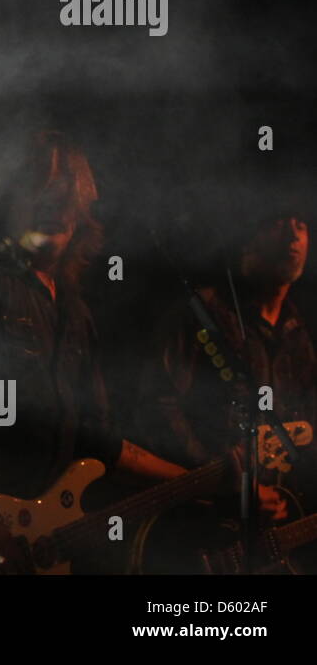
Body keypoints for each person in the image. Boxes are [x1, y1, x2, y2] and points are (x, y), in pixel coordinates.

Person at [0, 130, 183, 574]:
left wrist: (201, 482)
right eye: (41, 191)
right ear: (6, 204)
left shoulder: (73, 311)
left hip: (30, 548)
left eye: (69, 195)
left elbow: (96, 443)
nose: (55, 204)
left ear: (83, 212)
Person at [134, 198, 317, 570]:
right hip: (200, 528)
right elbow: (155, 409)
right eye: (278, 220)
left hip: (266, 536)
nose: (292, 234)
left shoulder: (299, 334)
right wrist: (224, 481)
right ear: (247, 236)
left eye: (300, 224)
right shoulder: (202, 314)